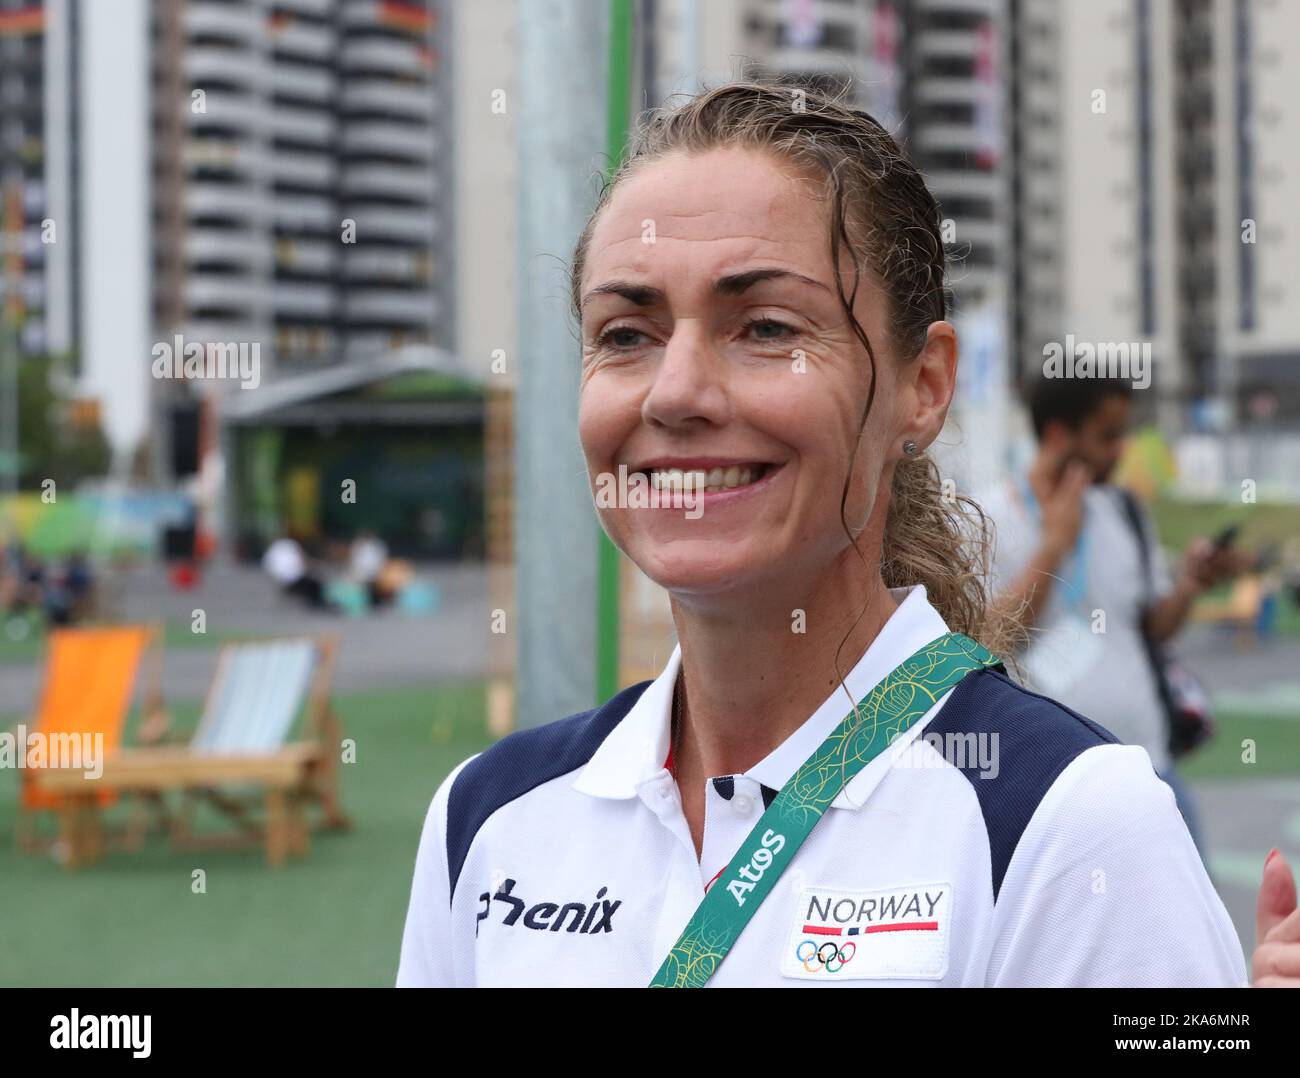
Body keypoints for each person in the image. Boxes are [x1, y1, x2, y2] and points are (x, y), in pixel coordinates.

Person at [397, 82, 1299, 988]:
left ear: (925, 386)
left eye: (766, 328)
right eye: (626, 334)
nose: (674, 392)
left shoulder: (1068, 823)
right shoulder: (487, 817)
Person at [978, 375, 1241, 861]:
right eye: (1107, 436)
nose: (1120, 451)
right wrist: (1054, 544)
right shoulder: (987, 520)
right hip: (1054, 787)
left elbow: (1153, 627)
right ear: (1058, 435)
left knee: (1193, 931)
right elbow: (994, 641)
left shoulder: (1122, 512)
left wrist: (1188, 584)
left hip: (1152, 766)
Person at [261, 533, 326, 609]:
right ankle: (314, 603)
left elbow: (267, 564)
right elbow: (304, 560)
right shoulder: (292, 544)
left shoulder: (273, 547)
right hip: (294, 576)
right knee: (315, 581)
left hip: (278, 577)